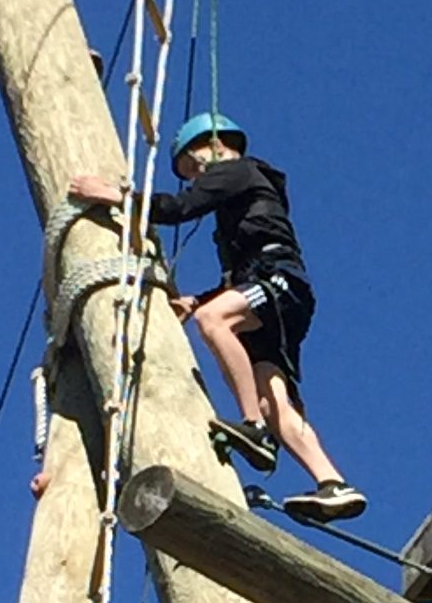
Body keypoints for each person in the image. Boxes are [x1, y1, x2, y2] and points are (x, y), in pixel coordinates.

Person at [148, 112, 366, 526]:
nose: (195, 176)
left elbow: (180, 207)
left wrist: (122, 196)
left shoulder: (238, 170)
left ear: (215, 146)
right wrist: (198, 298)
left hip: (278, 280)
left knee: (214, 321)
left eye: (194, 166)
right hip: (280, 292)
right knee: (273, 399)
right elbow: (241, 276)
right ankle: (333, 483)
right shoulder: (245, 195)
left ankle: (253, 429)